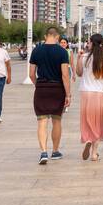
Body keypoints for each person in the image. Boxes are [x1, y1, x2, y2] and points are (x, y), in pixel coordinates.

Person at [29, 27, 71, 164]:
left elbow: (31, 74)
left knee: (42, 121)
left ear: (46, 35)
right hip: (57, 88)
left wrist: (38, 85)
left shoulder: (36, 50)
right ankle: (55, 151)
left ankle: (43, 152)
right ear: (57, 37)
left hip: (41, 88)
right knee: (56, 120)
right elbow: (65, 75)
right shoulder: (62, 52)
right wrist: (68, 94)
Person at [75, 33, 103, 161]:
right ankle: (94, 153)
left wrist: (78, 58)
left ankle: (88, 139)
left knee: (87, 120)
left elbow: (79, 73)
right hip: (100, 93)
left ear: (91, 43)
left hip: (86, 93)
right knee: (98, 121)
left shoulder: (84, 57)